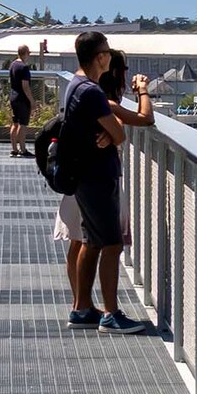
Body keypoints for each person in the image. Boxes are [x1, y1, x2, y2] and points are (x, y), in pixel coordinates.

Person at [59, 32, 154, 331]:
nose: (110, 57)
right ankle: (111, 314)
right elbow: (120, 134)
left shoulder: (76, 85)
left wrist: (109, 132)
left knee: (92, 242)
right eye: (108, 52)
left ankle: (82, 310)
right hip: (97, 176)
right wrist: (111, 134)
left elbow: (109, 130)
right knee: (112, 244)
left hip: (85, 175)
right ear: (100, 56)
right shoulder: (91, 91)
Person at [5, 44, 34, 157]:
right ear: (25, 53)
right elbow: (25, 86)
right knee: (23, 124)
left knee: (15, 123)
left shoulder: (13, 65)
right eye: (29, 53)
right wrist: (32, 101)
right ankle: (23, 149)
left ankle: (14, 149)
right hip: (22, 99)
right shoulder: (24, 67)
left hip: (13, 97)